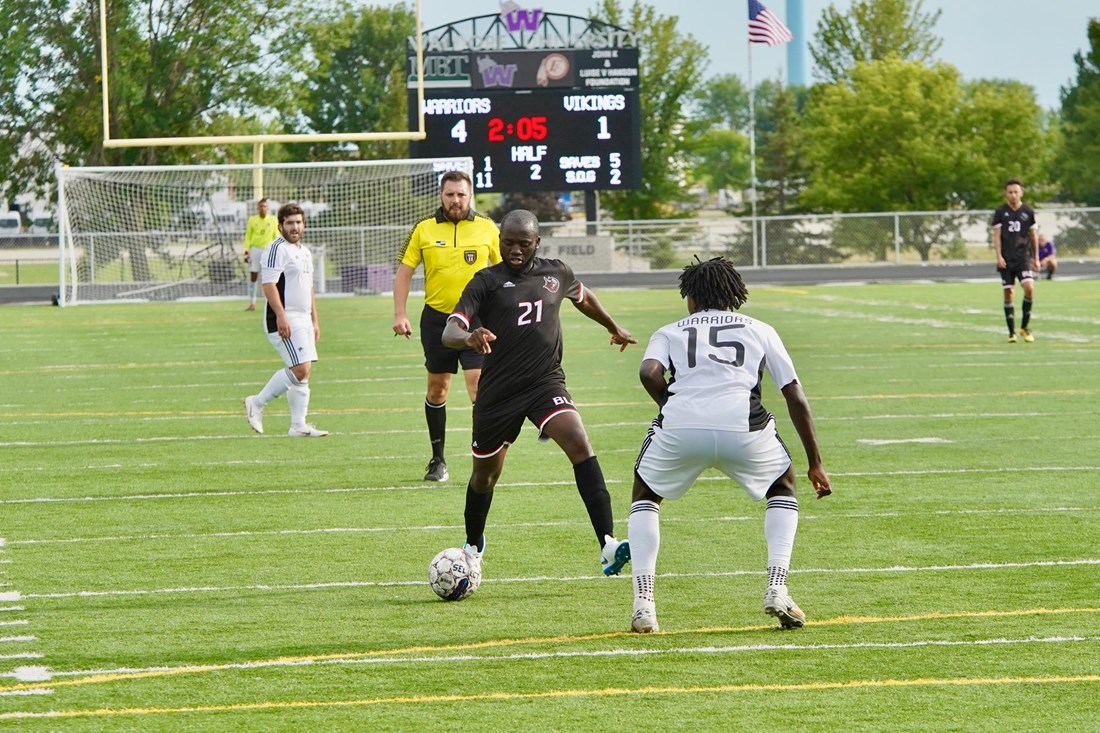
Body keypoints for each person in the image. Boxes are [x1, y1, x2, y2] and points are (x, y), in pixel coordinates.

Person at [624, 257, 832, 634]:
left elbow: (648, 372)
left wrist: (671, 407)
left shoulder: (669, 331)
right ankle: (777, 587)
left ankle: (644, 604)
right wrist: (815, 462)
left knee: (646, 494)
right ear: (732, 295)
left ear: (690, 296)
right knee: (782, 484)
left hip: (681, 425)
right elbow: (794, 395)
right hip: (744, 426)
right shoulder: (760, 329)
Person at [441, 209, 637, 582]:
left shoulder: (556, 272)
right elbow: (450, 329)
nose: (515, 250)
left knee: (580, 442)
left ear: (537, 243)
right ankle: (473, 546)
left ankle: (608, 543)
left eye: (523, 243)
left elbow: (582, 296)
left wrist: (612, 325)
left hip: (545, 383)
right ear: (499, 242)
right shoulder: (485, 281)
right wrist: (468, 337)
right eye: (508, 243)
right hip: (497, 393)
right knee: (485, 476)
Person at [393, 170, 501, 482]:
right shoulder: (423, 229)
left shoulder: (487, 229)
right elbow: (404, 272)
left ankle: (484, 455)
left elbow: (503, 274)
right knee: (437, 389)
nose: (455, 200)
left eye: (461, 194)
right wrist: (400, 313)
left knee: (477, 385)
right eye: (450, 194)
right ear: (441, 196)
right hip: (437, 319)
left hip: (476, 321)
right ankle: (437, 460)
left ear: (471, 196)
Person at [242, 203, 328, 438]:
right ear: (280, 226)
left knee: (305, 370)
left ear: (304, 224)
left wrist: (315, 321)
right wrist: (281, 316)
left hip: (303, 319)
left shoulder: (305, 251)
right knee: (300, 368)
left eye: (298, 222)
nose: (294, 227)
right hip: (284, 316)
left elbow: (309, 289)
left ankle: (298, 425)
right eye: (289, 223)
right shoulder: (276, 248)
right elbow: (268, 284)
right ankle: (256, 403)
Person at [991, 179, 1039, 343]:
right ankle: (1011, 332)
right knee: (1009, 292)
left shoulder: (1028, 212)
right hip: (1006, 258)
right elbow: (996, 236)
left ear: (1021, 193)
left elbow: (1033, 236)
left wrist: (1036, 259)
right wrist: (999, 256)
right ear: (1006, 193)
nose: (1013, 195)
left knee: (1029, 288)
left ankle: (1024, 328)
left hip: (1023, 258)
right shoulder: (1000, 212)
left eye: (1016, 192)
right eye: (1010, 192)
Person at [243, 198, 280, 311]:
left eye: (264, 206)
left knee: (269, 277)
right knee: (253, 276)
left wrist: (277, 250)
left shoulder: (273, 220)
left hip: (268, 250)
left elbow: (276, 236)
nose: (262, 208)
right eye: (261, 206)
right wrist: (246, 252)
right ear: (258, 208)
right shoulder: (252, 220)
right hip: (255, 250)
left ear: (267, 208)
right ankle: (252, 302)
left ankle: (270, 302)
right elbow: (248, 236)